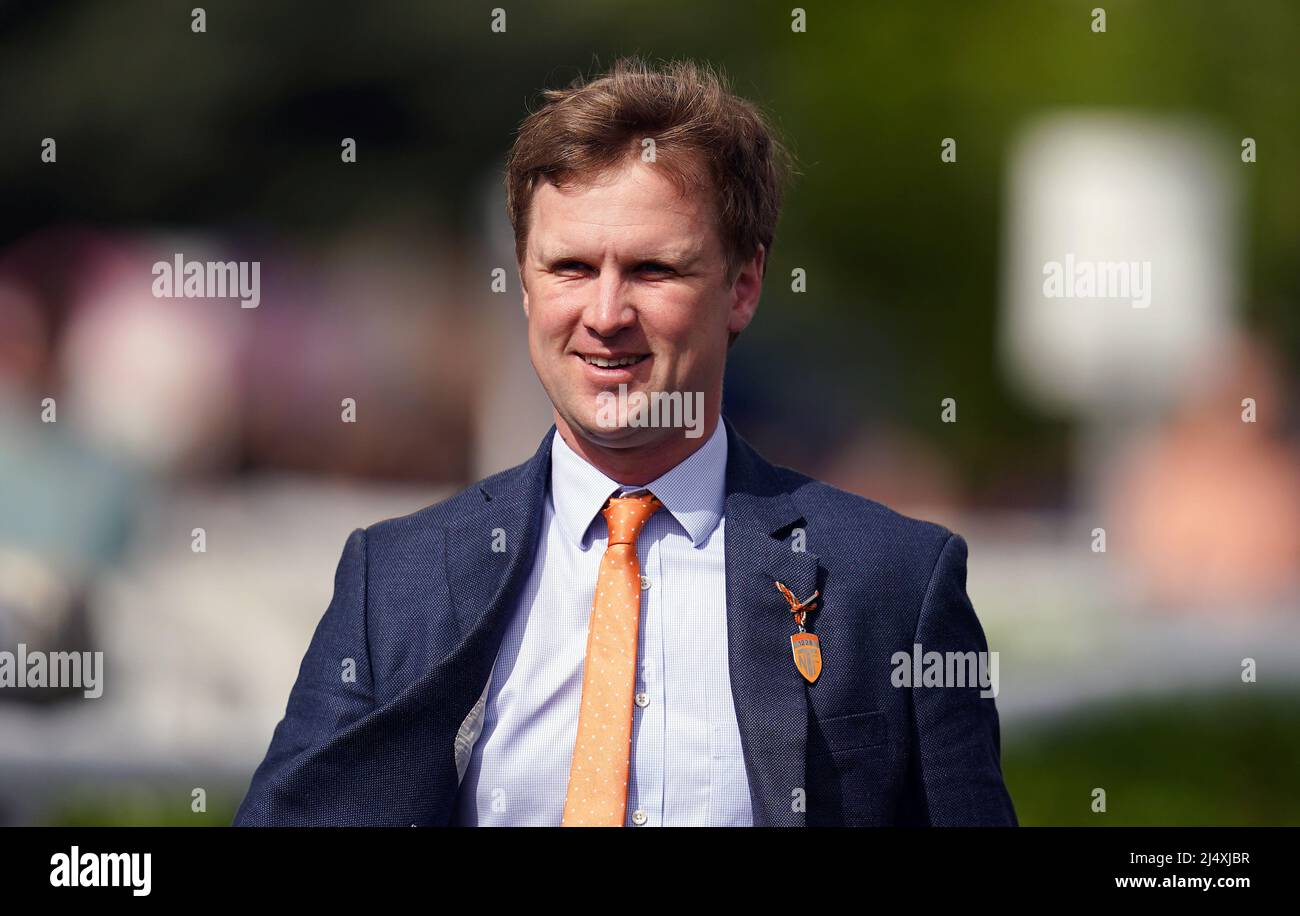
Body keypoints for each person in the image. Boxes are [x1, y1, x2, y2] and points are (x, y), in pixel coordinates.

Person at [234, 56, 1016, 827]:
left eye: (652, 269)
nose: (606, 313)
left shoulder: (893, 585)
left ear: (743, 285)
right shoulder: (395, 584)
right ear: (524, 281)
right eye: (571, 267)